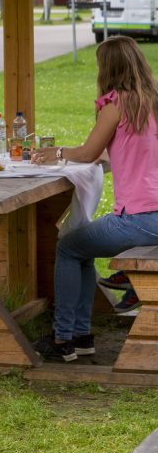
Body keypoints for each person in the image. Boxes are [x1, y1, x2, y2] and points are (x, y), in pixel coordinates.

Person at [31, 36, 158, 362]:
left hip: (138, 219)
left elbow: (87, 153)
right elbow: (127, 153)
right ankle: (81, 336)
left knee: (69, 247)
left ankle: (64, 340)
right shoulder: (153, 102)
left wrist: (56, 152)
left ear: (109, 68)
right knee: (81, 247)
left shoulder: (117, 103)